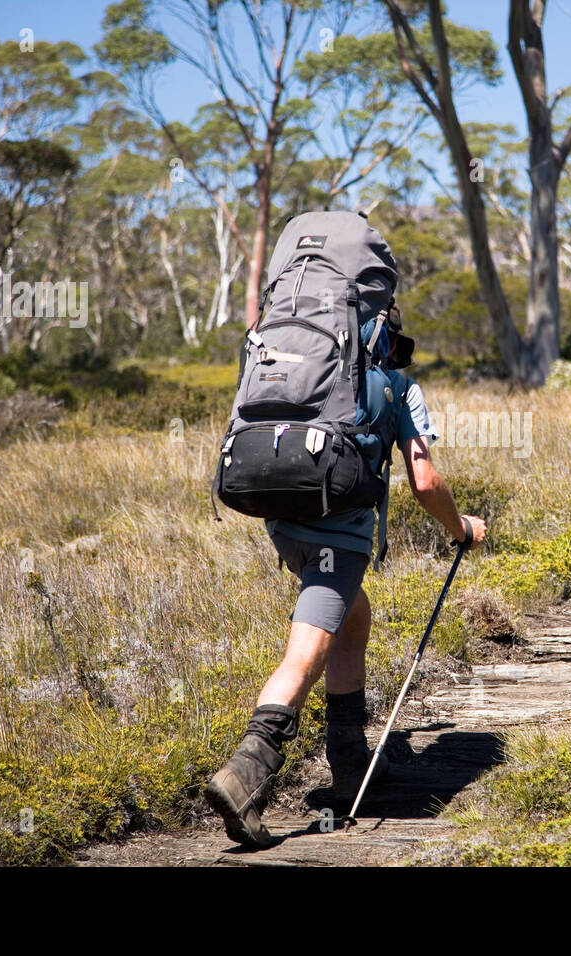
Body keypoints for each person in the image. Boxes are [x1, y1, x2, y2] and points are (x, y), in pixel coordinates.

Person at [204, 306, 488, 849]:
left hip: (283, 520)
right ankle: (246, 773)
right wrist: (461, 527)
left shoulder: (296, 368)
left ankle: (351, 766)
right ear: (386, 338)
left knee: (353, 618)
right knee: (305, 651)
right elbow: (425, 481)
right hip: (340, 536)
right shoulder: (397, 387)